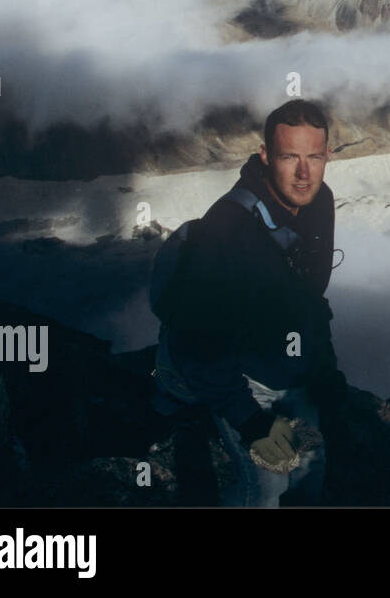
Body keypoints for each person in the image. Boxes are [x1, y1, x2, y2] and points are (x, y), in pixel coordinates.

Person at [155, 99, 346, 507]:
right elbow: (197, 337)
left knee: (312, 470)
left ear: (328, 154)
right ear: (265, 156)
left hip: (290, 371)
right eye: (289, 156)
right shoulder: (228, 227)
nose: (303, 172)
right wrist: (248, 418)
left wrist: (324, 370)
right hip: (241, 376)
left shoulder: (320, 203)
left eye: (314, 156)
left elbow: (308, 296)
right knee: (265, 490)